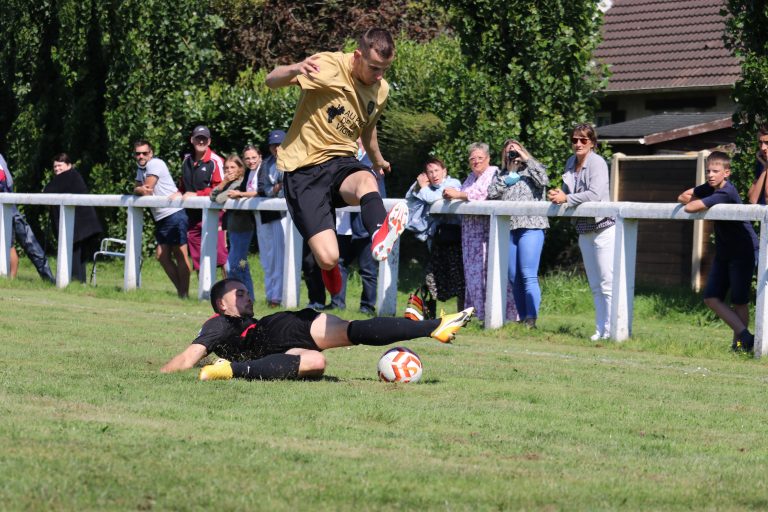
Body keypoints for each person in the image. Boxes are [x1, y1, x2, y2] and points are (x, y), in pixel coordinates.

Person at [265, 27, 408, 297]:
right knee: (329, 257)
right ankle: (328, 267)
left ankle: (380, 232)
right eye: (375, 68)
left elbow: (368, 128)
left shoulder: (381, 90)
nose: (379, 76)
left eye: (385, 70)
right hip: (302, 170)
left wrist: (377, 160)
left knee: (367, 179)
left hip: (341, 160)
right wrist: (296, 68)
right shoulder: (329, 66)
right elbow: (271, 80)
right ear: (357, 56)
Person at [160, 278, 475, 380]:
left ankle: (435, 326)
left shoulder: (234, 327)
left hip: (275, 335)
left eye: (247, 292)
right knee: (333, 348)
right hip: (277, 337)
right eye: (238, 294)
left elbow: (198, 357)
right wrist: (163, 374)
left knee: (334, 347)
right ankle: (436, 326)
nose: (247, 297)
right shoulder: (219, 324)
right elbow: (190, 356)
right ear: (221, 305)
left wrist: (208, 362)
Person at [677, 151, 758, 352]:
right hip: (724, 251)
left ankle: (738, 345)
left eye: (716, 171)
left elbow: (689, 207)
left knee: (739, 300)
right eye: (708, 171)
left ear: (727, 173)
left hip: (743, 250)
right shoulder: (710, 188)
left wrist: (697, 201)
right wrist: (696, 199)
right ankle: (746, 337)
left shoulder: (726, 192)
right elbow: (682, 196)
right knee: (711, 298)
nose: (711, 175)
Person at [548, 123, 614, 341]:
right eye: (574, 140)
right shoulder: (570, 163)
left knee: (607, 282)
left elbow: (595, 194)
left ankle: (613, 330)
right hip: (584, 227)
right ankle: (600, 330)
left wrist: (566, 198)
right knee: (595, 283)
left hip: (604, 226)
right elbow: (569, 192)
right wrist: (559, 193)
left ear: (592, 143)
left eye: (583, 140)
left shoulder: (598, 163)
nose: (578, 144)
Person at [443, 143, 517, 324]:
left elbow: (484, 193)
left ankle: (500, 316)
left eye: (479, 158)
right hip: (470, 235)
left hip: (485, 234)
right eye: (472, 159)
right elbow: (465, 193)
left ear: (488, 159)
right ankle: (478, 314)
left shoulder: (493, 173)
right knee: (473, 274)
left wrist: (458, 194)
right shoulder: (471, 177)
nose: (475, 162)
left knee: (487, 273)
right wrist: (453, 195)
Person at [487, 139, 549, 328]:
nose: (512, 154)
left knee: (527, 273)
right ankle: (523, 318)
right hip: (510, 229)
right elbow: (491, 193)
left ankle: (532, 318)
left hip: (532, 226)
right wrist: (509, 175)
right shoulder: (502, 174)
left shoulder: (533, 169)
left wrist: (526, 159)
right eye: (508, 152)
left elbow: (544, 180)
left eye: (515, 150)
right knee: (513, 276)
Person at [405, 157, 464, 313]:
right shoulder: (427, 186)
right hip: (434, 237)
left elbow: (435, 199)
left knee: (458, 278)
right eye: (430, 172)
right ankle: (429, 312)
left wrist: (423, 188)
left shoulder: (454, 183)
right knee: (431, 277)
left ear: (444, 171)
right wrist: (418, 184)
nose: (434, 175)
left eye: (437, 170)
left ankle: (463, 315)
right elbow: (409, 198)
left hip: (454, 238)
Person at [132, 139, 191, 298]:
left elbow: (147, 190)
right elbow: (139, 188)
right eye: (138, 153)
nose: (141, 156)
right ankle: (182, 293)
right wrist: (138, 188)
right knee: (162, 256)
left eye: (144, 153)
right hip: (162, 217)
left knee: (180, 255)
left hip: (174, 213)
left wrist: (138, 189)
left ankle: (184, 294)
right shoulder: (141, 168)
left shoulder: (155, 163)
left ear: (151, 153)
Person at [42, 153, 103, 283]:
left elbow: (47, 191)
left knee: (74, 254)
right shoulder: (72, 176)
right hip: (84, 225)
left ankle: (75, 281)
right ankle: (79, 282)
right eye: (55, 167)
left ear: (69, 165)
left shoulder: (68, 175)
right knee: (79, 256)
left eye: (60, 165)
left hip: (78, 226)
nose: (57, 169)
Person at [178, 125, 228, 277]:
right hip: (192, 217)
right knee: (198, 257)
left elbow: (220, 187)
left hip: (214, 215)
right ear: (192, 140)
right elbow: (183, 185)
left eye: (204, 139)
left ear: (209, 141)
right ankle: (204, 292)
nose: (201, 142)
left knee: (221, 256)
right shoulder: (186, 160)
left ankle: (231, 289)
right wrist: (178, 193)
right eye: (198, 138)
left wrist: (197, 194)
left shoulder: (216, 161)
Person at [0, 153, 55, 283]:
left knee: (9, 244)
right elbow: (9, 181)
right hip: (9, 203)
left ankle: (10, 279)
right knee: (16, 243)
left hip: (5, 205)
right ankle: (46, 277)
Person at [211, 155, 257, 300]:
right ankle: (245, 296)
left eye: (233, 167)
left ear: (240, 169)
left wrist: (225, 183)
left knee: (236, 264)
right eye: (226, 168)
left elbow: (219, 199)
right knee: (241, 264)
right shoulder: (229, 183)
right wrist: (224, 182)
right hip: (234, 230)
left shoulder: (240, 183)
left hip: (243, 229)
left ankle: (245, 296)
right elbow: (213, 196)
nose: (229, 171)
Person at [256, 133, 287, 307]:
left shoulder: (291, 161)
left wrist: (276, 189)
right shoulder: (266, 164)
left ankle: (278, 296)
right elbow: (262, 188)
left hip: (283, 216)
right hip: (267, 214)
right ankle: (271, 295)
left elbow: (288, 187)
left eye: (280, 144)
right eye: (273, 145)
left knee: (280, 258)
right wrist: (274, 189)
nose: (276, 148)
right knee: (268, 259)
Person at [747, 125, 768, 205]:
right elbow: (752, 198)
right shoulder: (762, 162)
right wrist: (765, 166)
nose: (763, 148)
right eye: (760, 143)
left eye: (767, 143)